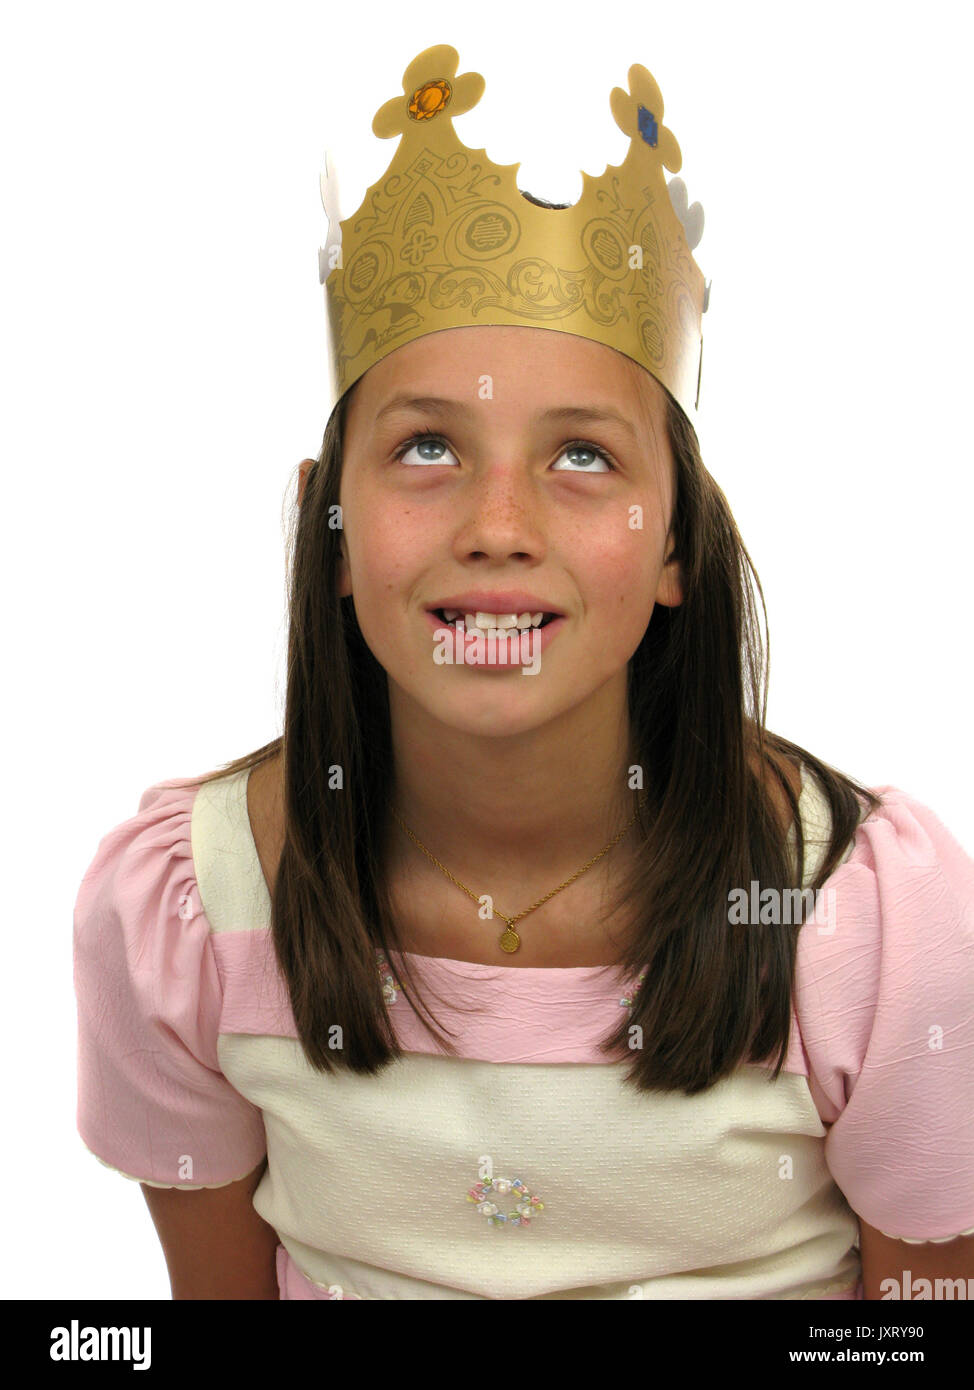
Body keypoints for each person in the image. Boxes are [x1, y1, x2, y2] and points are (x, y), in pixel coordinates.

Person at [73, 43, 974, 1301]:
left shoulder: (858, 919)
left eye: (584, 458)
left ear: (675, 545)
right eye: (428, 445)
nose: (498, 524)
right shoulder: (189, 910)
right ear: (329, 526)